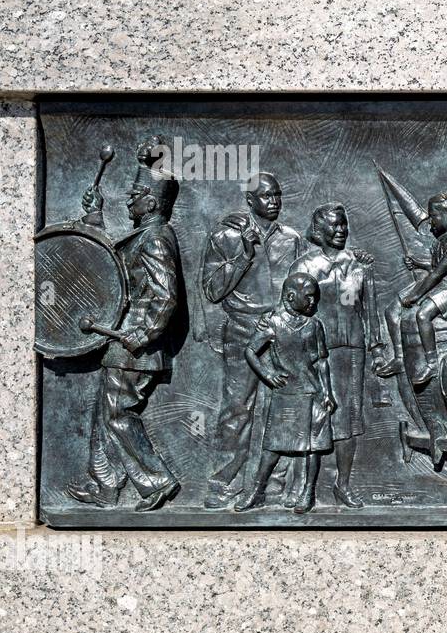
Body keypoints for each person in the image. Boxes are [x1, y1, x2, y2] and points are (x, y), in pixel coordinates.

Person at [65, 138, 182, 512]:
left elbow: (166, 296)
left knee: (116, 413)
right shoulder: (145, 234)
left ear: (152, 200)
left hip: (134, 346)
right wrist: (95, 219)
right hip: (122, 343)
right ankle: (106, 485)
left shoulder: (157, 238)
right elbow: (115, 265)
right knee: (107, 413)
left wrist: (140, 335)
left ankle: (156, 482)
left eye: (135, 194)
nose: (128, 200)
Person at [201, 171, 306, 505]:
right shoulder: (225, 235)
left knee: (285, 407)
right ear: (249, 200)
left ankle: (274, 484)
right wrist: (243, 254)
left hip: (285, 329)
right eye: (266, 197)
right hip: (244, 328)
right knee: (237, 409)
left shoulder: (291, 238)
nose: (274, 202)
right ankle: (223, 483)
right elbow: (212, 291)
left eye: (277, 195)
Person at [290, 204, 383, 509]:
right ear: (318, 231)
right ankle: (307, 489)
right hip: (318, 351)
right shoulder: (305, 265)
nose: (341, 229)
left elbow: (370, 308)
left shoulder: (358, 264)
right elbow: (291, 312)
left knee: (348, 420)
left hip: (352, 349)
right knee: (316, 419)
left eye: (344, 224)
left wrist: (378, 345)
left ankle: (343, 484)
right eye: (334, 225)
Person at [239, 273, 335, 515]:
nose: (314, 302)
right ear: (291, 297)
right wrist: (267, 375)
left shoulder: (314, 325)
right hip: (287, 394)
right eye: (309, 297)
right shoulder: (272, 322)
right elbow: (250, 350)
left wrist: (328, 393)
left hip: (313, 392)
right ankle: (257, 491)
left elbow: (322, 361)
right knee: (273, 447)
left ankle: (308, 492)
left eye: (315, 297)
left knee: (313, 447)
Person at [375, 192, 447, 387]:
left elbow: (438, 274)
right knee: (392, 310)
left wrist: (416, 295)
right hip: (438, 281)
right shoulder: (441, 241)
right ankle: (400, 357)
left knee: (423, 315)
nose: (430, 222)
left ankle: (432, 363)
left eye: (434, 216)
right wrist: (419, 263)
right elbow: (435, 269)